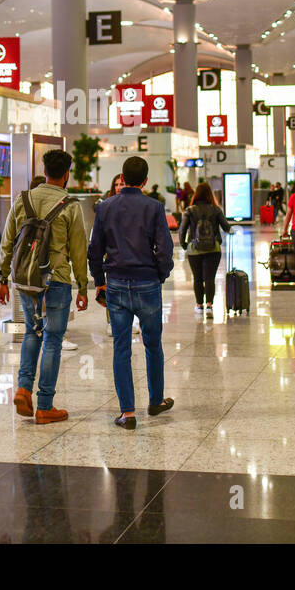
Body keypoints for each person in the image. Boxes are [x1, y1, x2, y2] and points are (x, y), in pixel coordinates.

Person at [0, 149, 89, 424]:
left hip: (26, 280)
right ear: (66, 174)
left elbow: (7, 242)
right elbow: (78, 250)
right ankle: (45, 405)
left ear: (45, 170)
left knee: (31, 333)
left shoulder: (23, 199)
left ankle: (23, 388)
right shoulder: (70, 205)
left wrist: (1, 279)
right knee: (53, 339)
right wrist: (83, 287)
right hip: (57, 280)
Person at [89, 155, 175, 429]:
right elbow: (164, 248)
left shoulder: (105, 207)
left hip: (116, 283)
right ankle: (156, 400)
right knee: (153, 344)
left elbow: (95, 249)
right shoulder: (154, 207)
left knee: (121, 348)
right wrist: (161, 273)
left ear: (122, 179)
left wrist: (99, 280)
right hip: (147, 282)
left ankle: (127, 413)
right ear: (146, 181)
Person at [178, 182, 230, 315]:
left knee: (197, 278)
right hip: (213, 249)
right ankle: (209, 306)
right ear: (209, 194)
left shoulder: (189, 210)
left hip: (194, 249)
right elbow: (226, 227)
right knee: (209, 278)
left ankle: (199, 306)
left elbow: (182, 231)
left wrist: (184, 245)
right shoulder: (216, 209)